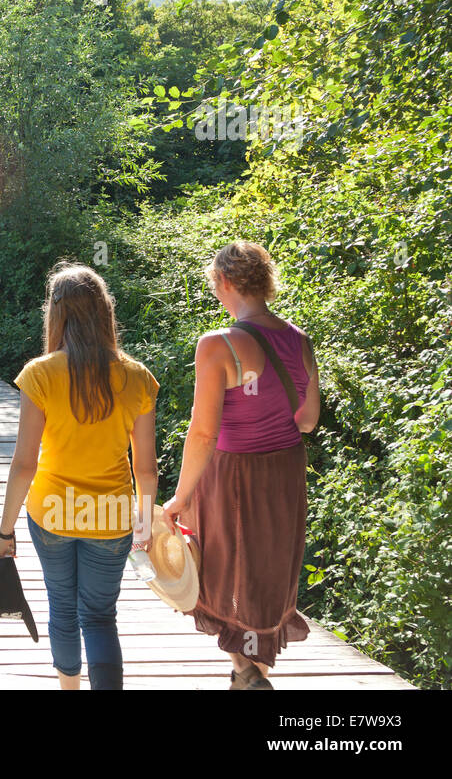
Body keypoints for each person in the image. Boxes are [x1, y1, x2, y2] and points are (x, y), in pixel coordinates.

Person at [162, 240, 319, 690]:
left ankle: (247, 674)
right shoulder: (299, 340)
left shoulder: (218, 345)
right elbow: (307, 420)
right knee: (263, 573)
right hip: (284, 472)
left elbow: (203, 433)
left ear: (225, 281)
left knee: (217, 571)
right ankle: (246, 675)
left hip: (233, 474)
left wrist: (180, 497)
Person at [0, 263, 159, 690]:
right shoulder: (138, 377)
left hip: (52, 513)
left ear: (56, 313)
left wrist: (5, 531)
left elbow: (24, 464)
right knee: (100, 617)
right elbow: (145, 467)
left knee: (63, 610)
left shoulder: (40, 374)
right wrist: (145, 523)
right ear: (105, 311)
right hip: (112, 517)